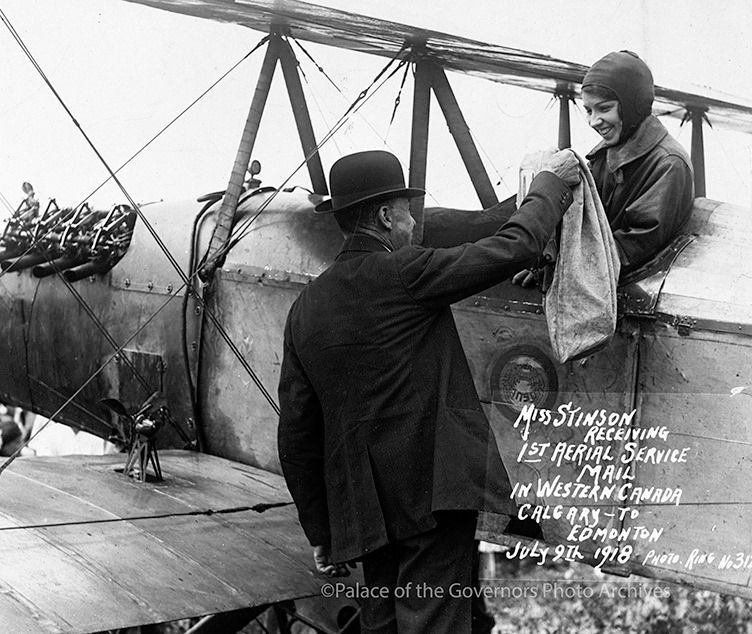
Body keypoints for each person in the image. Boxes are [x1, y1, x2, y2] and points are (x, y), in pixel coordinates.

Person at [277, 149, 578, 633]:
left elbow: (296, 435)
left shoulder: (305, 309)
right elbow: (515, 247)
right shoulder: (405, 273)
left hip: (364, 513)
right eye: (408, 209)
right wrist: (550, 185)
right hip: (430, 498)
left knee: (383, 626)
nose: (415, 221)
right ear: (384, 215)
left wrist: (321, 530)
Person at [513, 50, 694, 287]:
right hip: (601, 274)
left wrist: (559, 270)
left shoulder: (669, 164)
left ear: (634, 106)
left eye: (604, 109)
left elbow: (632, 246)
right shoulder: (607, 152)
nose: (593, 121)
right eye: (589, 110)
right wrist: (544, 260)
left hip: (626, 285)